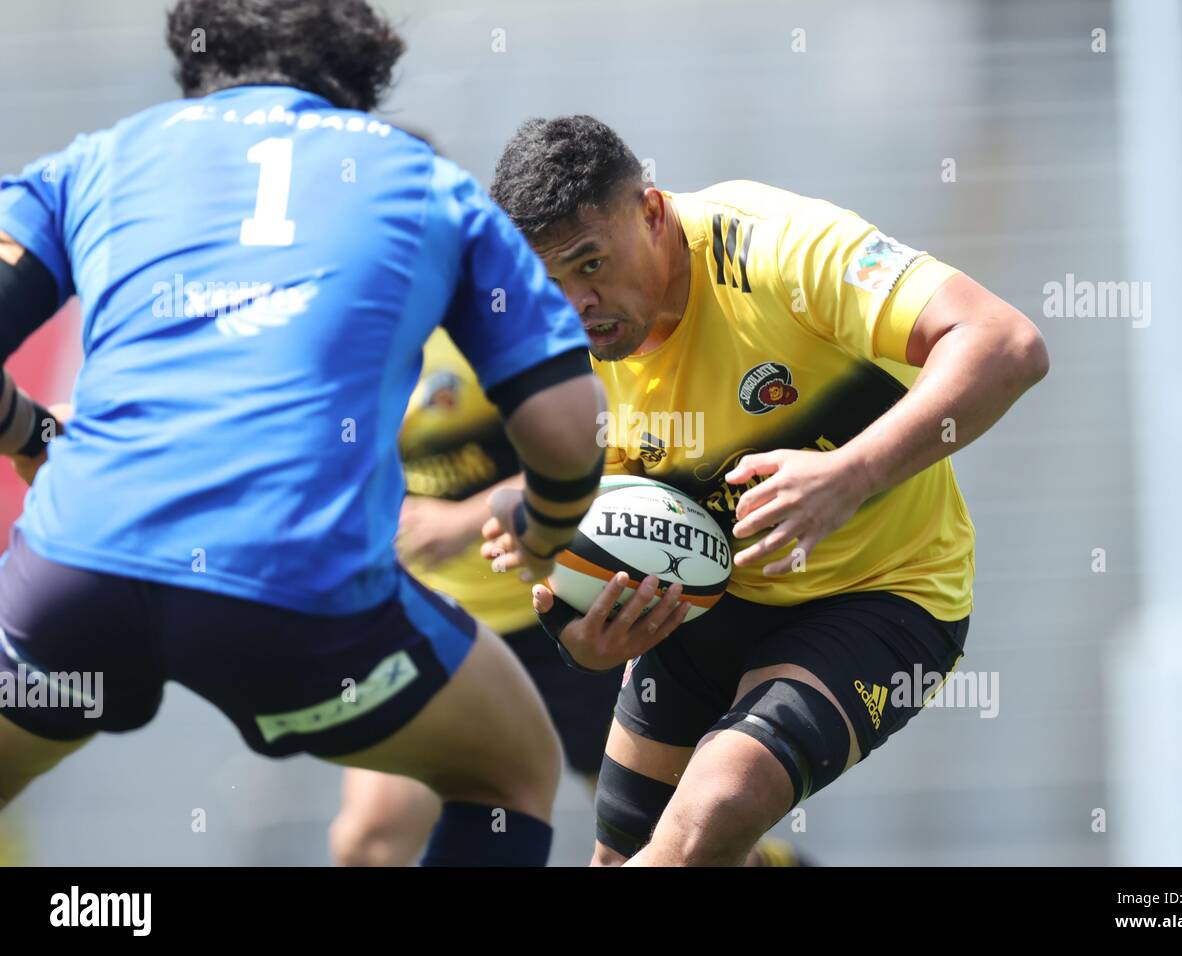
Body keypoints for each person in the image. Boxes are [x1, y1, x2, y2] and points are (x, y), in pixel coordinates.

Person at [0, 1, 609, 868]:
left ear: (194, 59)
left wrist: (29, 432)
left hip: (74, 575)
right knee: (509, 774)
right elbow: (568, 432)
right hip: (300, 601)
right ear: (366, 74)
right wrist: (546, 531)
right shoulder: (422, 180)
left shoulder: (97, 160)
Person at [484, 115, 1050, 866]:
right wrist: (588, 640)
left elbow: (1006, 343)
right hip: (705, 608)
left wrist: (851, 474)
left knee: (716, 805)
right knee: (635, 854)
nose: (575, 303)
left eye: (590, 263)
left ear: (651, 213)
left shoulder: (782, 247)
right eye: (548, 283)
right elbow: (587, 552)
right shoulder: (552, 346)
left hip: (884, 595)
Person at [328, 329, 621, 866]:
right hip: (435, 623)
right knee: (371, 839)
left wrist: (467, 518)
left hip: (563, 615)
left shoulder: (505, 314)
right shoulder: (350, 326)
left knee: (657, 844)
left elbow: (602, 444)